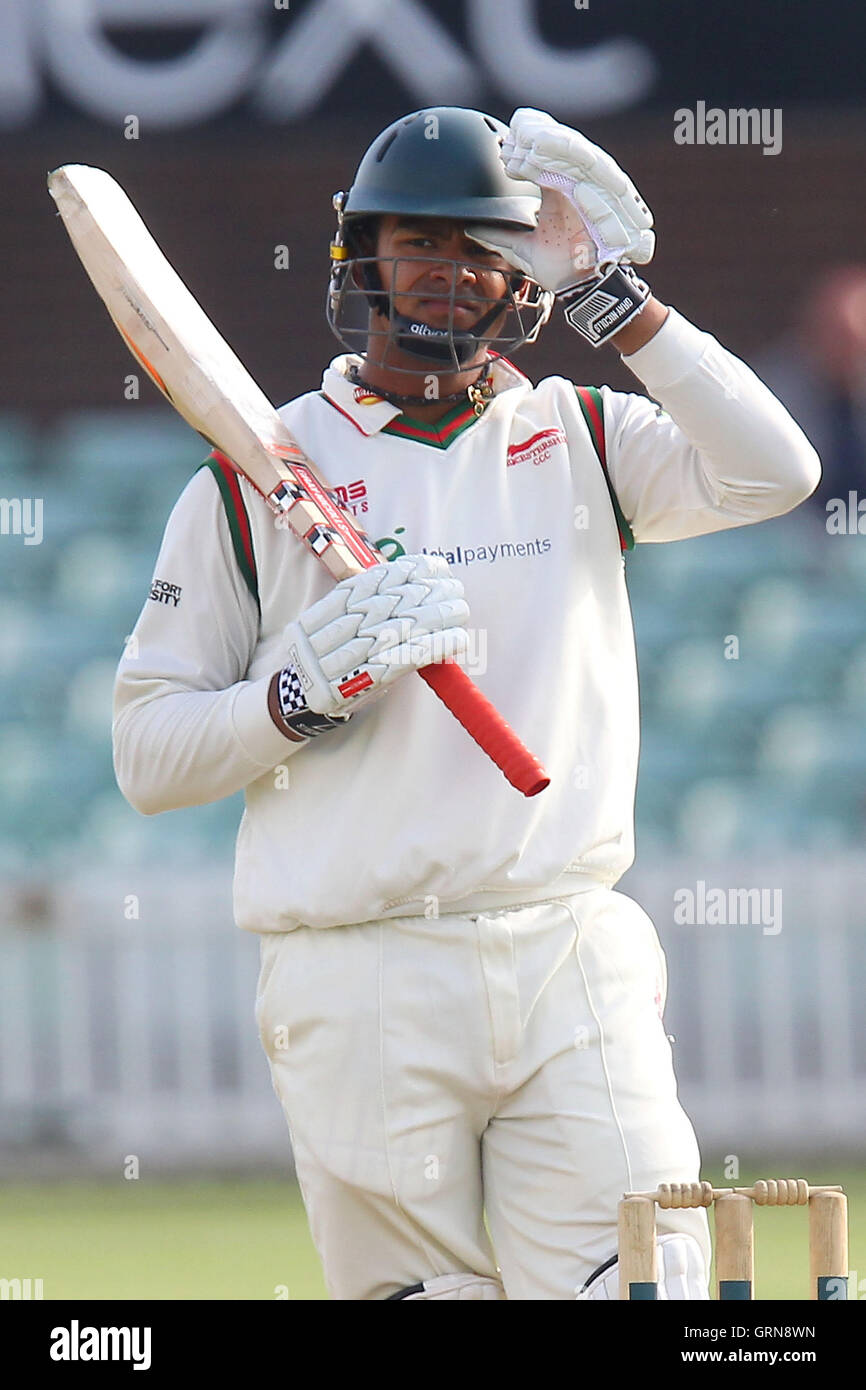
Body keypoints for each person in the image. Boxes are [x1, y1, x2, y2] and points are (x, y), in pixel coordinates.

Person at [113, 107, 821, 1301]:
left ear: (525, 271)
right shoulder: (254, 475)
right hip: (357, 965)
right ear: (363, 258)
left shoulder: (584, 433)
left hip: (567, 943)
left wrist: (617, 300)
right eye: (418, 242)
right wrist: (292, 697)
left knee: (653, 1285)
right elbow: (147, 753)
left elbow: (777, 470)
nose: (450, 272)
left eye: (485, 247)